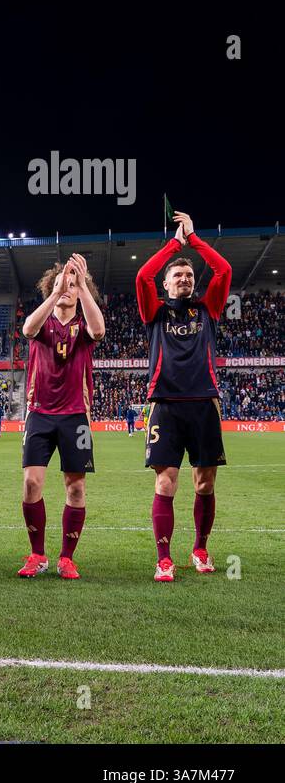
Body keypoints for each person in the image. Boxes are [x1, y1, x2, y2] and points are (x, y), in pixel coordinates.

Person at [136, 210, 231, 582]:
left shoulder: (208, 309)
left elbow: (222, 271)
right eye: (178, 275)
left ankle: (200, 548)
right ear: (166, 283)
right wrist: (175, 243)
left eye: (190, 275)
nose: (186, 279)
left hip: (204, 403)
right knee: (165, 482)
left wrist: (195, 241)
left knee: (205, 483)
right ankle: (164, 558)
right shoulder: (154, 311)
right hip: (166, 405)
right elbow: (142, 275)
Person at [15, 254, 106, 580]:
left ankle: (67, 558)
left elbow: (99, 331)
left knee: (76, 488)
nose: (65, 290)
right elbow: (27, 329)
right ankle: (37, 553)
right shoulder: (42, 324)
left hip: (75, 417)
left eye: (70, 286)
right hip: (39, 413)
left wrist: (81, 287)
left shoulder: (83, 326)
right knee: (31, 482)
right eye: (59, 285)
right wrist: (56, 292)